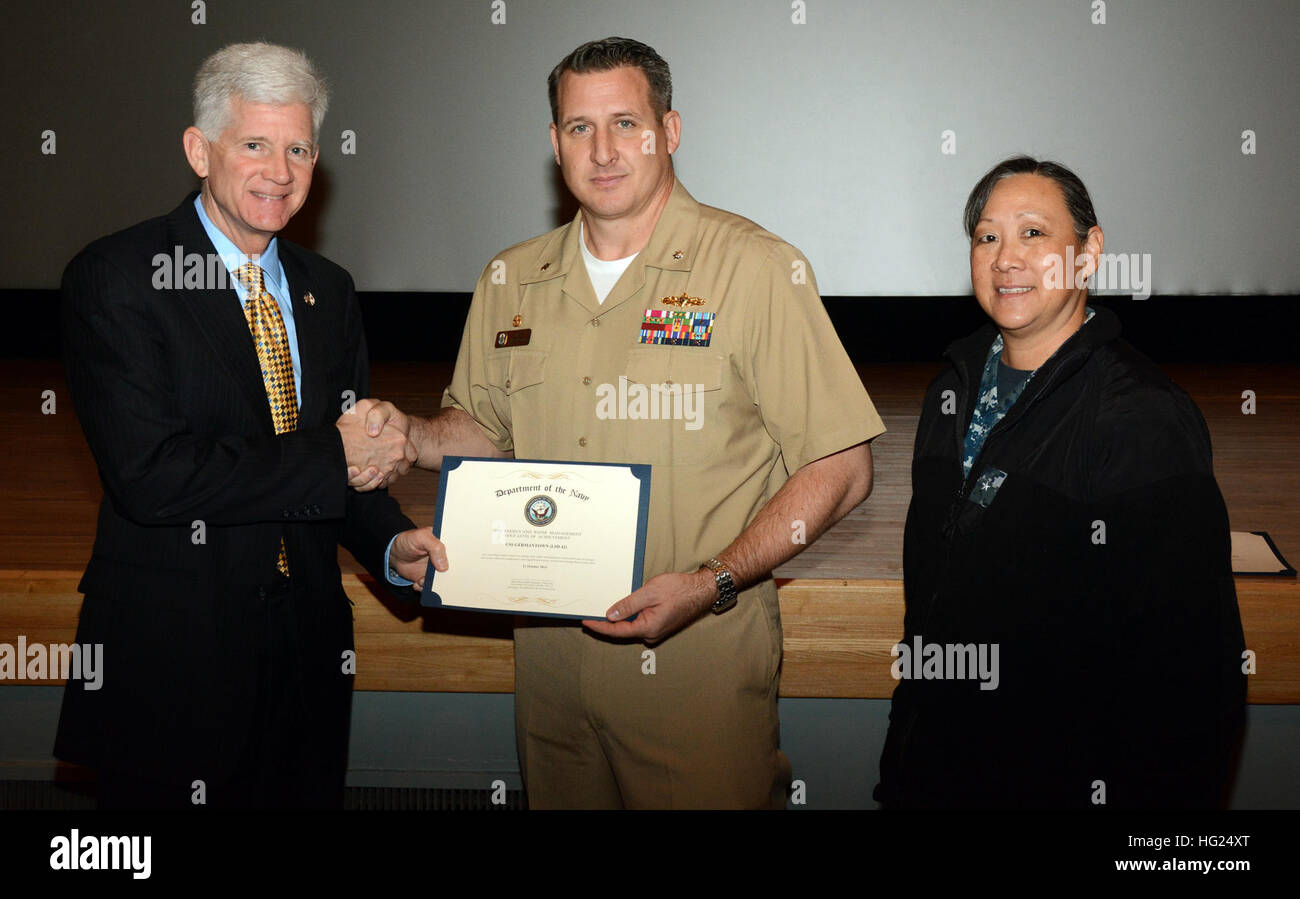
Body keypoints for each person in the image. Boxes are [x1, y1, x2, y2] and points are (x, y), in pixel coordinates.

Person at [353, 36, 885, 808]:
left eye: (626, 123)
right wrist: (413, 433)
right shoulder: (510, 278)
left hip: (694, 664)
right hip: (548, 669)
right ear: (553, 143)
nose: (603, 151)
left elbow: (842, 467)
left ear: (670, 130)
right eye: (579, 127)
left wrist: (712, 583)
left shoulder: (755, 269)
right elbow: (486, 429)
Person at [54, 41, 445, 809]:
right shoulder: (120, 276)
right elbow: (152, 475)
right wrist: (336, 455)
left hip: (307, 668)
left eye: (299, 147)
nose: (281, 169)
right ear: (200, 151)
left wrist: (394, 545)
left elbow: (347, 466)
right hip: (172, 674)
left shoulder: (326, 290)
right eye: (255, 144)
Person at [874, 156, 1247, 808]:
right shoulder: (950, 393)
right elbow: (927, 619)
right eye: (987, 237)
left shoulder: (1142, 417)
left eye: (1033, 234)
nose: (1005, 258)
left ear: (1089, 250)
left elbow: (1192, 680)